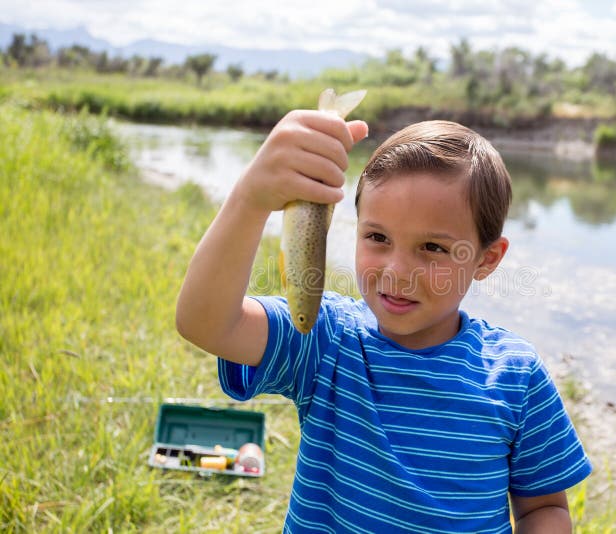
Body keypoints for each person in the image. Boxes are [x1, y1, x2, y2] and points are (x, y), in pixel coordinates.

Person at [176, 108, 592, 533]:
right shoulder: (324, 340)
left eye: (431, 247)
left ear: (486, 259)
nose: (396, 271)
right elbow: (206, 321)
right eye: (378, 238)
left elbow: (544, 508)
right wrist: (252, 196)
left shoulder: (517, 376)